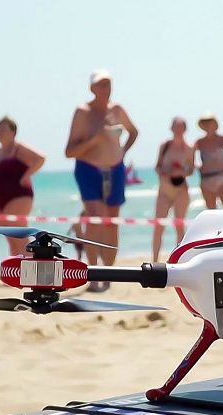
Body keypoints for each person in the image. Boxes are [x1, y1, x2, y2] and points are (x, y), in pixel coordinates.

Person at [65, 70, 138, 291]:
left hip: (115, 169)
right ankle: (93, 274)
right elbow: (70, 151)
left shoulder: (117, 109)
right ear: (92, 88)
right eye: (101, 85)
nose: (106, 89)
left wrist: (122, 151)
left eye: (108, 84)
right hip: (88, 168)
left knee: (112, 223)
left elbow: (134, 132)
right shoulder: (83, 112)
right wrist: (96, 138)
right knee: (95, 218)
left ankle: (108, 274)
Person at [0, 116, 45, 256]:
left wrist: (26, 175)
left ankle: (31, 266)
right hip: (0, 202)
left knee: (19, 237)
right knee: (10, 239)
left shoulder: (18, 148)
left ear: (13, 131)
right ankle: (16, 268)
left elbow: (40, 158)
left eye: (3, 129)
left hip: (19, 196)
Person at [152, 117, 194, 262]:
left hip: (180, 190)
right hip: (164, 189)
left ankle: (179, 260)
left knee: (179, 226)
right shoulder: (165, 146)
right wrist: (165, 172)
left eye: (181, 127)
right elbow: (157, 166)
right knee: (158, 226)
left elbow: (191, 170)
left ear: (185, 129)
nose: (178, 130)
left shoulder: (189, 148)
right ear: (171, 128)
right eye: (176, 127)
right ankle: (155, 259)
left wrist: (180, 172)